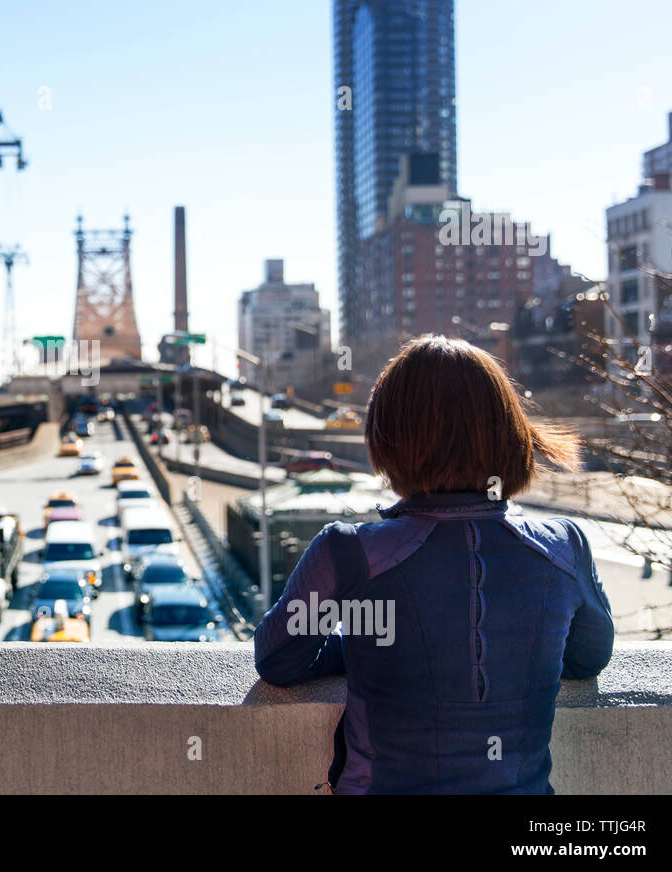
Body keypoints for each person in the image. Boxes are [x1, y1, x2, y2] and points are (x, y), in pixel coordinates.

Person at [253, 335, 614, 793]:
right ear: (511, 431)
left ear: (388, 439)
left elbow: (279, 660)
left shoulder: (348, 552)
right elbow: (587, 658)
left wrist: (367, 639)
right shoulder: (564, 546)